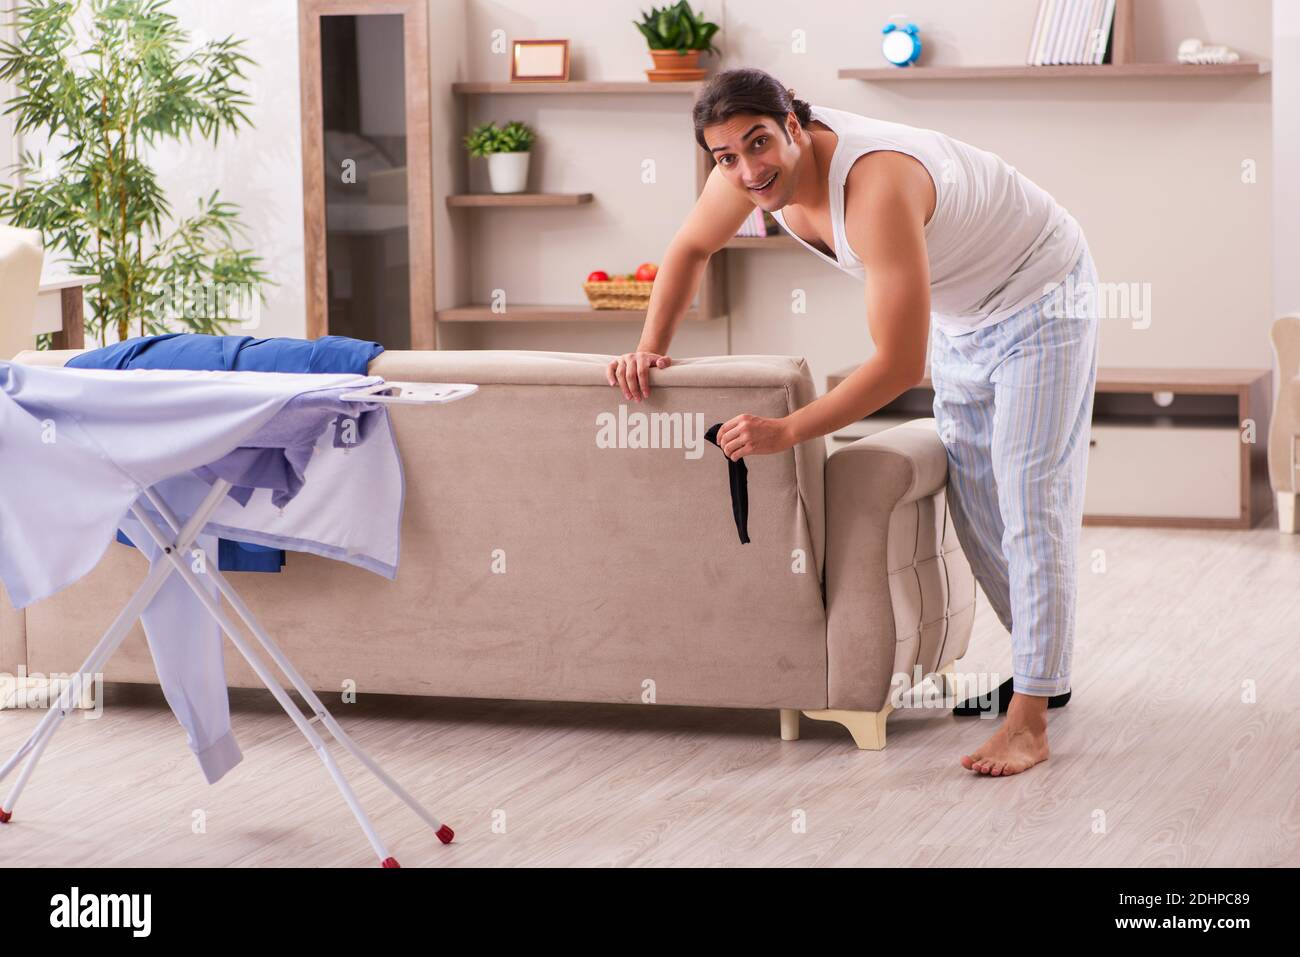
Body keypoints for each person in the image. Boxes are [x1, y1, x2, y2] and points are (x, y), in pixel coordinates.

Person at [606, 67, 1100, 777]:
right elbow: (689, 249)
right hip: (964, 317)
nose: (748, 168)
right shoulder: (738, 175)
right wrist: (650, 348)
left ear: (795, 128)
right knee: (976, 499)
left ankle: (1029, 718)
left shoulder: (875, 186)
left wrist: (788, 431)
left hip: (1041, 291)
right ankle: (1043, 671)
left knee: (1027, 497)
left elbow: (898, 365)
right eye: (726, 156)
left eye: (760, 144)